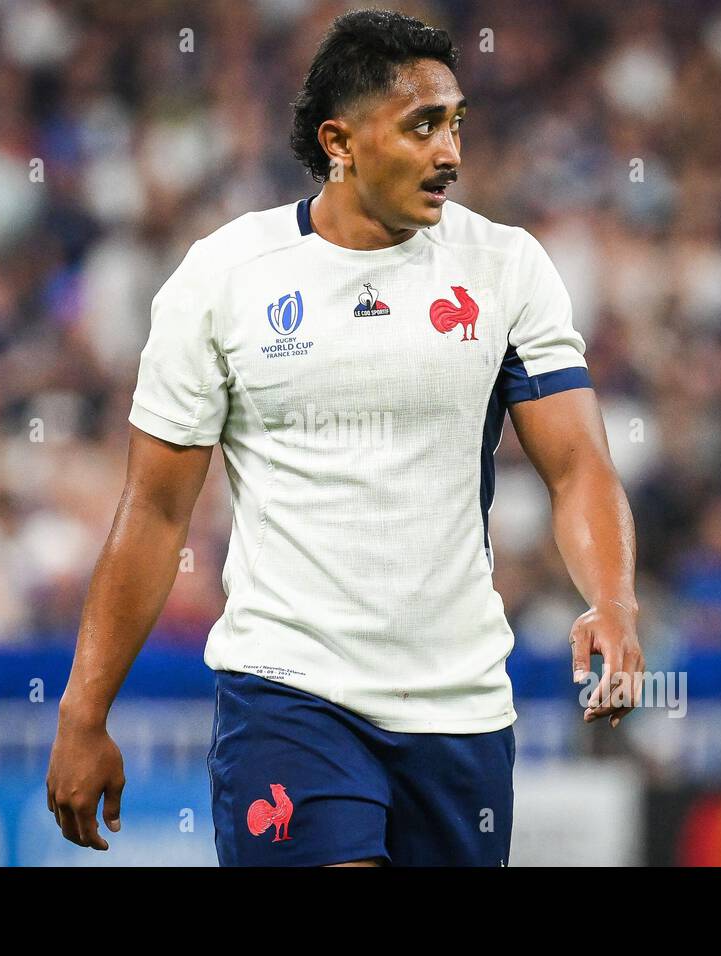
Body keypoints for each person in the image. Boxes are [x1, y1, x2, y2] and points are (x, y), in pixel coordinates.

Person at [46, 8, 644, 867]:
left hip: (460, 709)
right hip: (289, 695)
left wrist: (614, 601)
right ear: (341, 141)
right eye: (422, 126)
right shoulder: (225, 278)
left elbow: (579, 463)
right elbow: (152, 512)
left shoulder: (507, 268)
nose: (451, 153)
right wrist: (82, 711)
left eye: (456, 124)